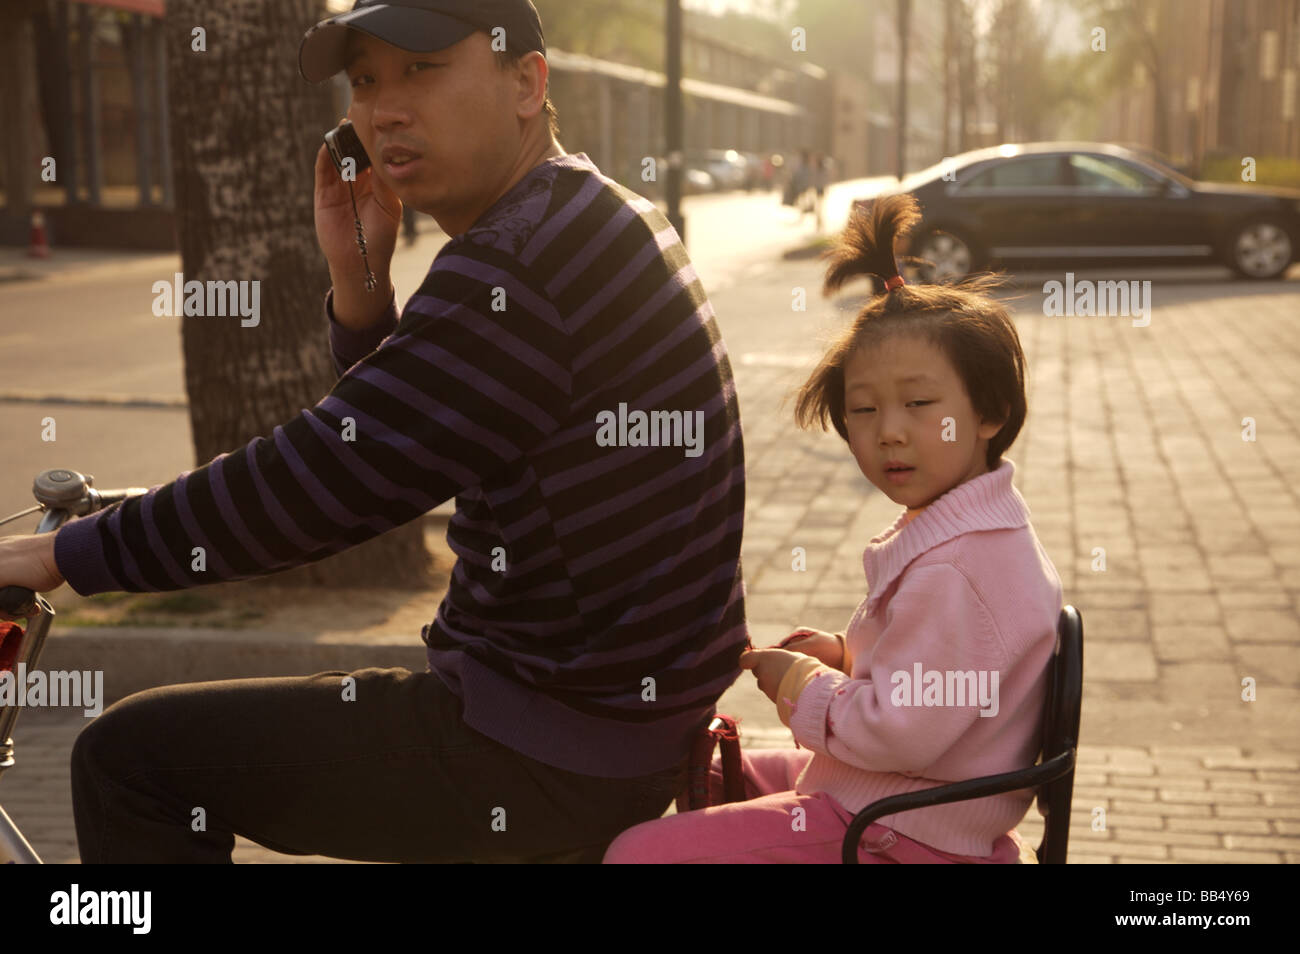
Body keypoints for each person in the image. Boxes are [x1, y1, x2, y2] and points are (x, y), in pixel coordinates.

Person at [0, 0, 747, 863]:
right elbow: (410, 429)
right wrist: (360, 288)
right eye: (364, 82)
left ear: (525, 82)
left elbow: (319, 483)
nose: (384, 107)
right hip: (611, 723)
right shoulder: (592, 212)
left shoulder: (515, 261)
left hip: (544, 746)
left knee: (128, 757)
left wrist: (64, 556)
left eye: (422, 70)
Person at [604, 193, 1061, 863]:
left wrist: (801, 686)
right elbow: (936, 672)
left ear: (990, 410)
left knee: (639, 855)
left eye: (919, 403)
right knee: (702, 770)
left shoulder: (956, 567)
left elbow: (902, 730)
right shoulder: (968, 536)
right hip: (893, 794)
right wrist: (848, 656)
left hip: (900, 832)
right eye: (865, 410)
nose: (890, 431)